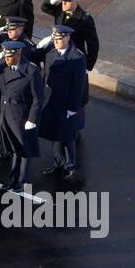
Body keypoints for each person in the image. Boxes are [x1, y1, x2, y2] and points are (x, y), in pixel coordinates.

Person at [0, 40, 43, 192]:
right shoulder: (4, 66)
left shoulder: (30, 71)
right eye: (5, 57)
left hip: (22, 115)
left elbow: (38, 98)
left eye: (9, 57)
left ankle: (22, 181)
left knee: (23, 149)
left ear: (18, 54)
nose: (6, 60)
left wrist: (32, 119)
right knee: (12, 148)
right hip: (6, 113)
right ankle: (12, 178)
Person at [36, 25, 87, 179]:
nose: (56, 42)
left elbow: (78, 85)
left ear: (67, 38)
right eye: (55, 39)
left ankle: (70, 164)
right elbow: (40, 65)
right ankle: (58, 161)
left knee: (67, 135)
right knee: (54, 133)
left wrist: (72, 108)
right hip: (51, 100)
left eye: (59, 39)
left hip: (66, 103)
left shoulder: (77, 57)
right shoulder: (51, 52)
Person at [41, 0, 99, 71]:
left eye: (67, 1)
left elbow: (93, 44)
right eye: (63, 0)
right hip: (57, 53)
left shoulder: (85, 19)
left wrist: (88, 66)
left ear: (75, 1)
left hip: (74, 57)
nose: (63, 3)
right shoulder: (59, 10)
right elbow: (44, 7)